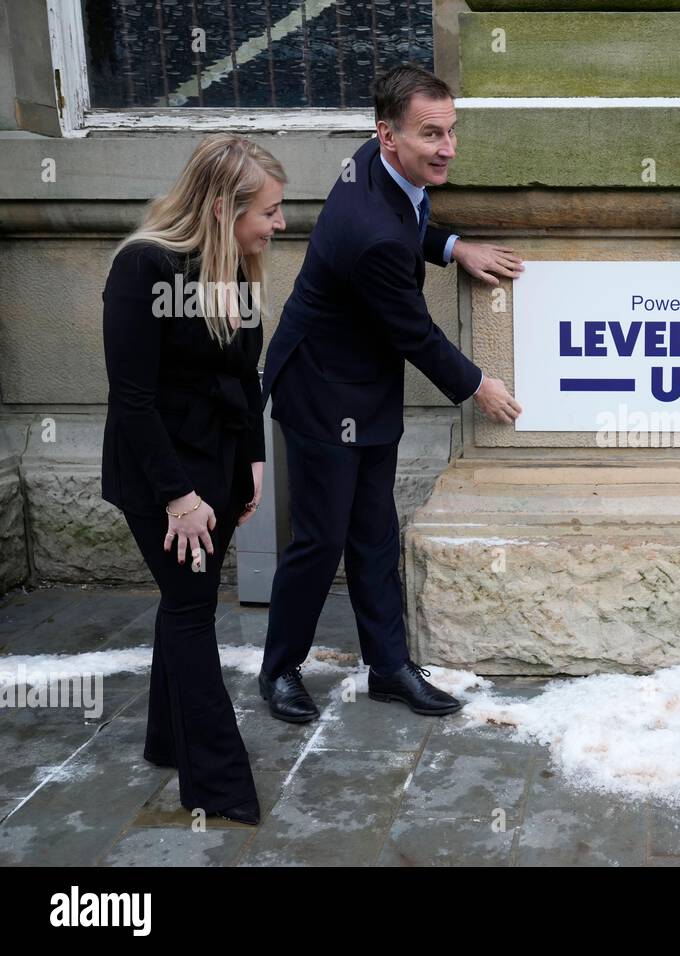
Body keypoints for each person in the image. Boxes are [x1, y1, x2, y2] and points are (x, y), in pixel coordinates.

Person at [258, 64, 523, 723]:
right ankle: (278, 669)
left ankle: (388, 668)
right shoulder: (369, 230)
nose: (448, 148)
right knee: (321, 540)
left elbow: (409, 226)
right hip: (321, 390)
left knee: (375, 531)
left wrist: (452, 245)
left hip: (364, 384)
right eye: (432, 134)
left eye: (452, 131)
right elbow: (416, 333)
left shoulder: (381, 169)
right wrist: (479, 385)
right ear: (388, 135)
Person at [101, 133, 288, 822]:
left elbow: (244, 374)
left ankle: (166, 742)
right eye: (268, 210)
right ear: (220, 208)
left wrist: (253, 463)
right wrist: (180, 499)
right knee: (189, 610)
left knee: (186, 601)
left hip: (217, 469)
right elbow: (134, 399)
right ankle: (218, 785)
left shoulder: (234, 267)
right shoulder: (142, 267)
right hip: (163, 480)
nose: (280, 223)